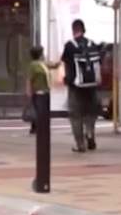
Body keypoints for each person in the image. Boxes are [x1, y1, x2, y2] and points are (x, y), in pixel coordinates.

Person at [55, 19, 102, 153]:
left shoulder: (70, 46)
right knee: (90, 113)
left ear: (73, 30)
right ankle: (90, 134)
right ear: (84, 29)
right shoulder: (92, 44)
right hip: (92, 87)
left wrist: (65, 79)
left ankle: (80, 145)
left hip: (75, 87)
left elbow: (65, 64)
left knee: (76, 116)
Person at [25, 45, 50, 135]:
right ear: (39, 54)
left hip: (45, 90)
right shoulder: (33, 65)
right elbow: (29, 79)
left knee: (40, 109)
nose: (43, 54)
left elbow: (52, 65)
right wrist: (28, 91)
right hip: (38, 91)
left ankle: (37, 127)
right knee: (38, 109)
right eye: (42, 52)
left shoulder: (42, 64)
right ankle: (35, 128)